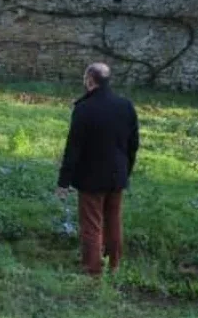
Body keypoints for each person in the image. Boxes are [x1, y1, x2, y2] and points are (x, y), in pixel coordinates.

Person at [56, 62, 140, 277]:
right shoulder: (126, 106)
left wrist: (63, 182)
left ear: (90, 80)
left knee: (91, 224)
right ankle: (114, 265)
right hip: (117, 175)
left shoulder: (84, 109)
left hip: (91, 178)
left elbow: (73, 148)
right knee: (113, 220)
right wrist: (126, 172)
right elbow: (133, 144)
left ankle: (92, 270)